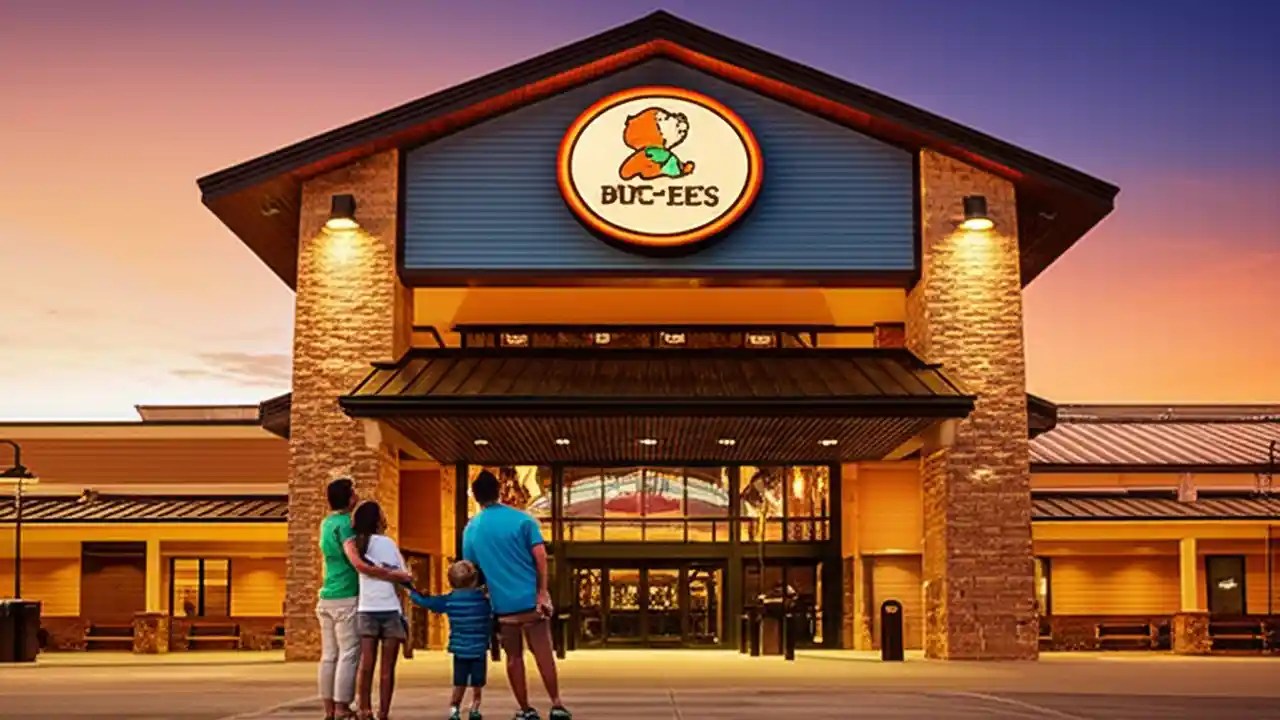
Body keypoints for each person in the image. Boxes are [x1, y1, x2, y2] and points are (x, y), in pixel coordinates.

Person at [463, 470, 571, 720]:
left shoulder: (471, 529)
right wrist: (542, 592)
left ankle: (525, 709)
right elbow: (540, 556)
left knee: (513, 657)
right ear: (499, 491)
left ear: (476, 497)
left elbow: (470, 569)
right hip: (530, 601)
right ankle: (556, 704)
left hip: (503, 606)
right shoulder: (523, 520)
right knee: (543, 653)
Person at [408, 560, 493, 720]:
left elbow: (428, 602)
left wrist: (413, 592)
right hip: (479, 649)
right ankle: (475, 708)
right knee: (478, 682)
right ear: (475, 579)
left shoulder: (450, 600)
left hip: (459, 649)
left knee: (459, 681)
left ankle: (455, 708)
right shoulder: (483, 600)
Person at [351, 500, 410, 720]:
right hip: (390, 610)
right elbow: (404, 575)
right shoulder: (387, 543)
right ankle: (383, 712)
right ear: (378, 520)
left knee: (366, 664)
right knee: (387, 669)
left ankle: (364, 708)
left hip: (366, 608)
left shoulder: (358, 545)